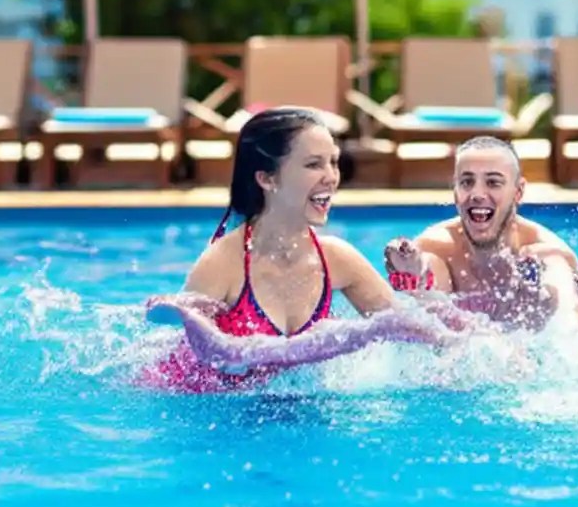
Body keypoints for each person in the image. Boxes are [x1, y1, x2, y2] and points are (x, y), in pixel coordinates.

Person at [141, 107, 459, 393]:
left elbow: (414, 331)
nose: (331, 177)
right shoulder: (224, 263)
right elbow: (202, 351)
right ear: (267, 178)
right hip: (207, 417)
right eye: (313, 164)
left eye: (333, 162)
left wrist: (417, 285)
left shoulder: (336, 258)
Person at [382, 136, 578, 333]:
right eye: (467, 182)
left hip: (536, 357)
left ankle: (546, 306)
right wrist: (417, 279)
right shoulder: (435, 248)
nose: (477, 194)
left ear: (518, 192)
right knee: (427, 271)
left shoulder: (549, 251)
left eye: (493, 182)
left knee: (552, 267)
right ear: (455, 191)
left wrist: (574, 307)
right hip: (468, 351)